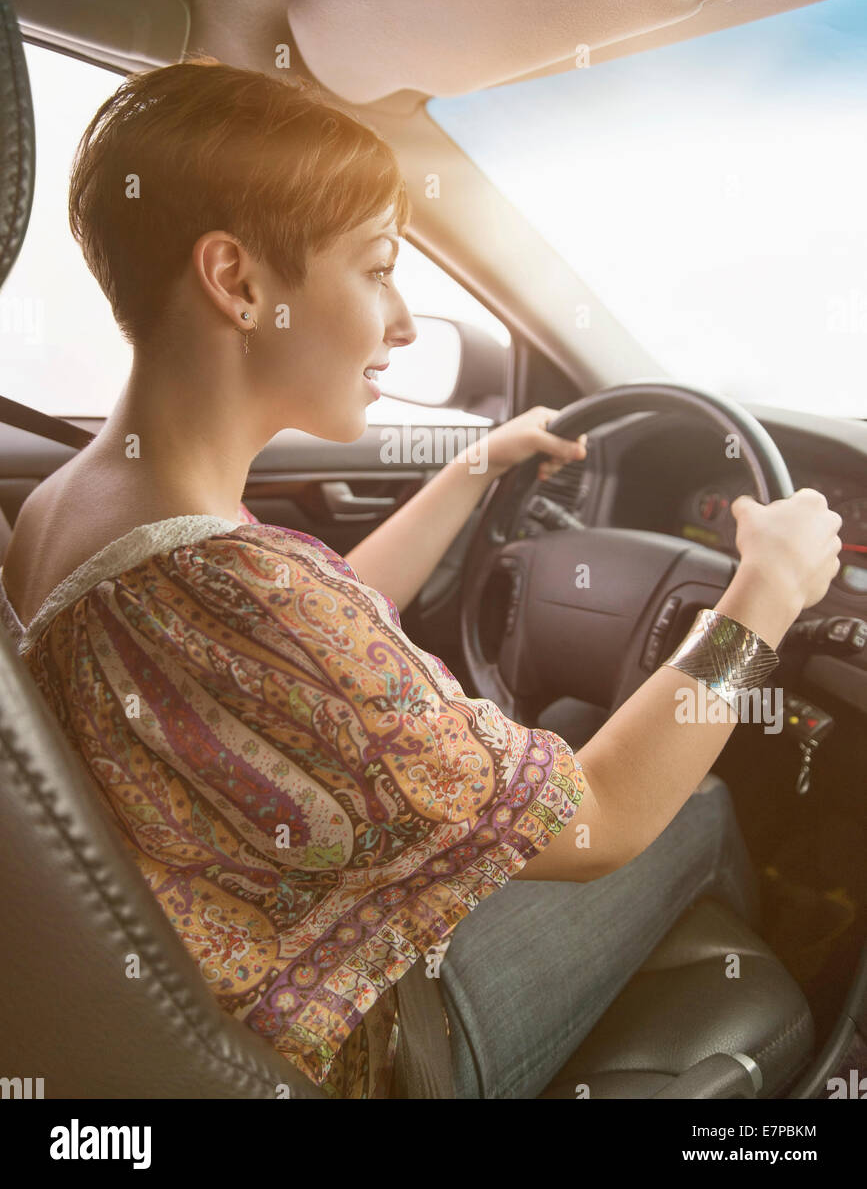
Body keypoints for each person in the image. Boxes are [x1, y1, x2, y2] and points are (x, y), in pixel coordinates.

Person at [0, 58, 842, 1099]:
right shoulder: (254, 600)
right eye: (378, 268)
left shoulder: (74, 511)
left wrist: (473, 468)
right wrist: (764, 590)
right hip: (366, 1038)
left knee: (588, 714)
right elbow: (607, 817)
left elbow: (302, 653)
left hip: (231, 976)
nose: (401, 323)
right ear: (237, 281)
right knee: (697, 803)